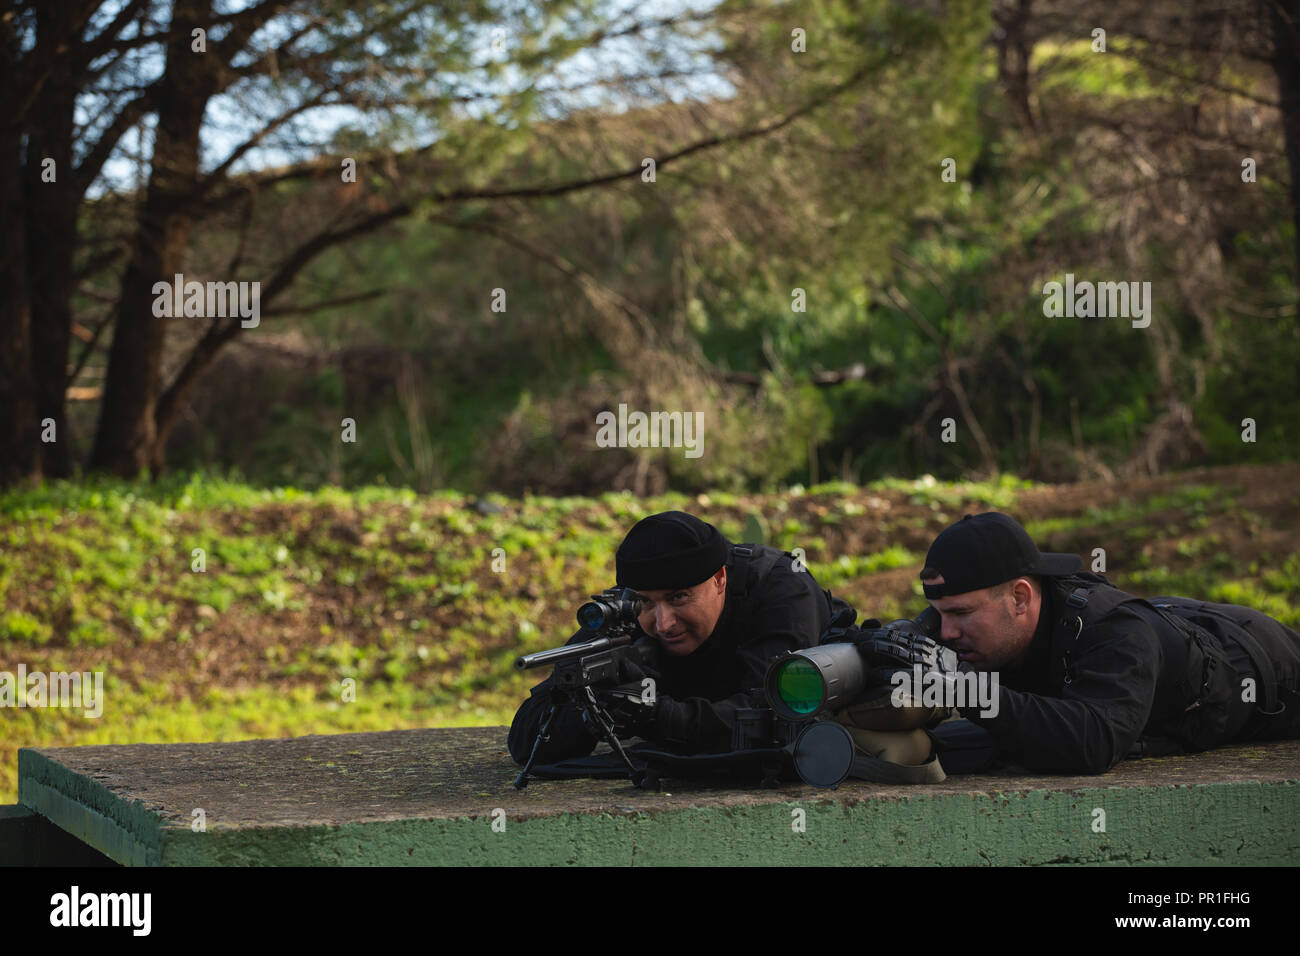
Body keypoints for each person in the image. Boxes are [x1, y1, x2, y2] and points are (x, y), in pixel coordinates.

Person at [908, 511, 1300, 773]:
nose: (946, 633)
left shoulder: (1114, 633)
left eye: (960, 614)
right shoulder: (981, 621)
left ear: (1020, 597)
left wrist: (969, 691)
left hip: (1269, 665)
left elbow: (1094, 741)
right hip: (1177, 620)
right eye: (937, 614)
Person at [507, 510, 839, 765]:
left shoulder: (781, 592)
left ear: (720, 579)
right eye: (646, 602)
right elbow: (525, 739)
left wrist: (656, 715)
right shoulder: (624, 615)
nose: (664, 624)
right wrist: (592, 713)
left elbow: (776, 720)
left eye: (679, 597)